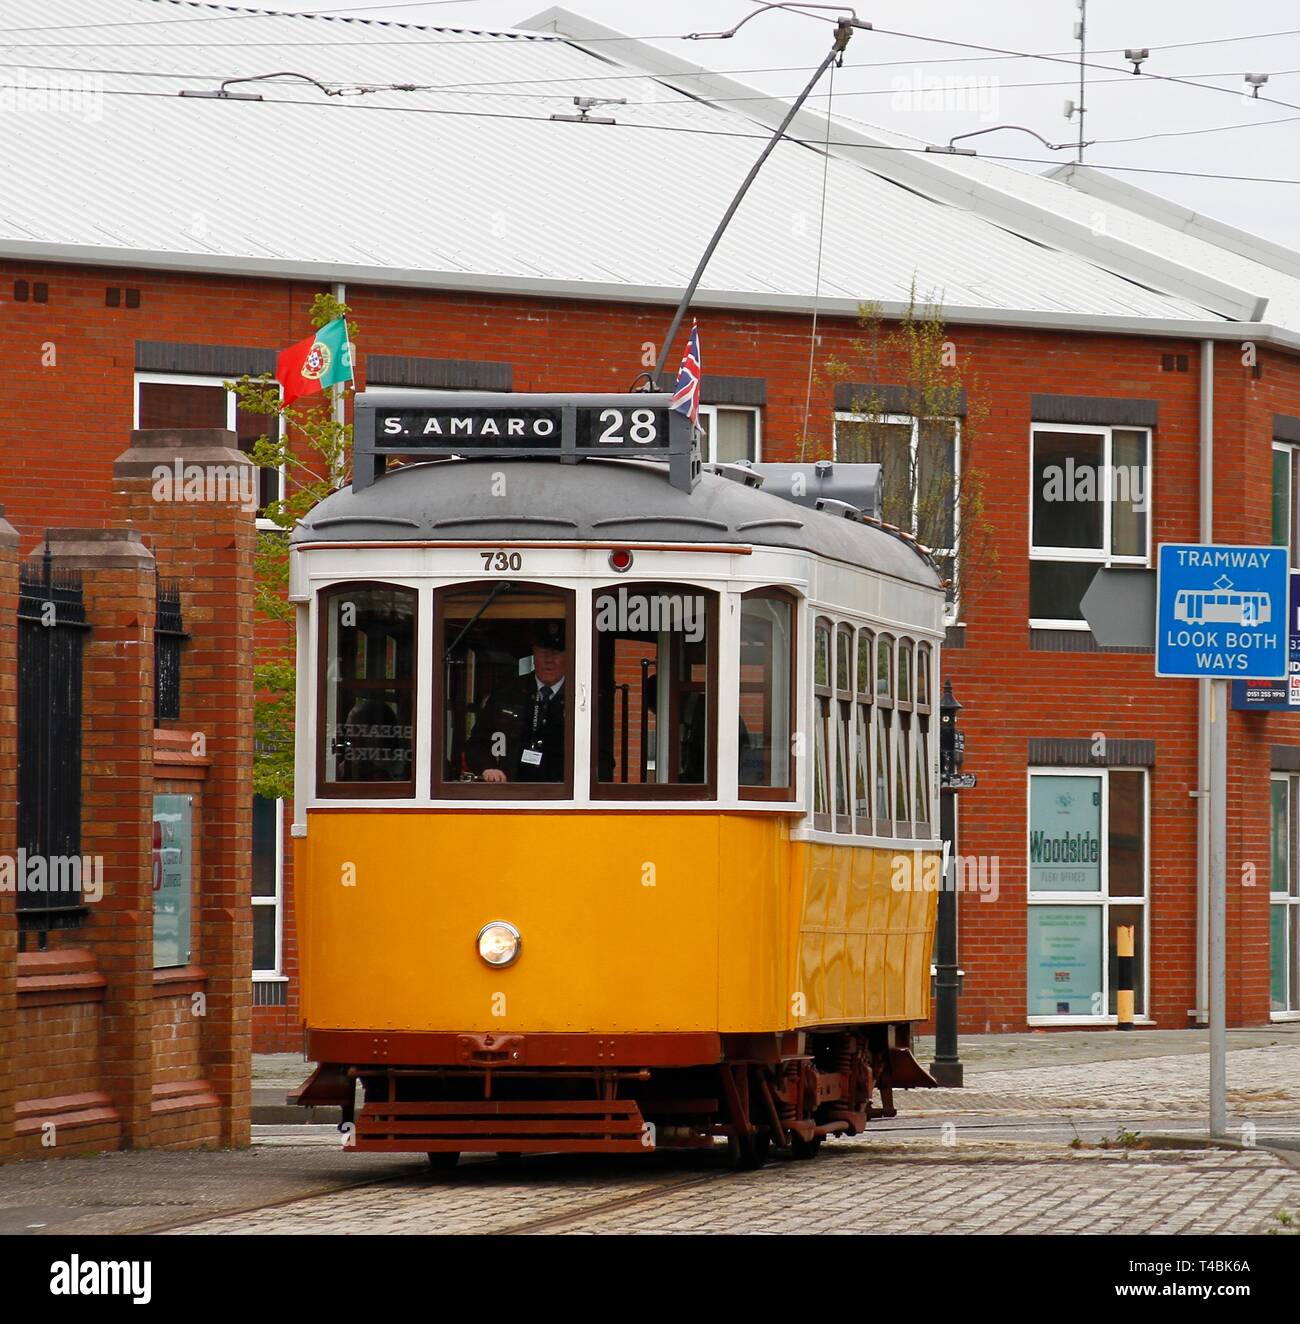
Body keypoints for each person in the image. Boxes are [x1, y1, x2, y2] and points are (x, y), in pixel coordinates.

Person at [465, 620, 567, 783]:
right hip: (512, 791)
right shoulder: (508, 692)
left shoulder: (580, 698)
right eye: (542, 652)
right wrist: (487, 768)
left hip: (562, 796)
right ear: (533, 654)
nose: (549, 660)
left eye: (556, 653)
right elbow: (476, 743)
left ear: (568, 656)